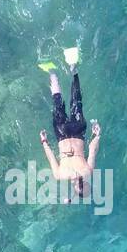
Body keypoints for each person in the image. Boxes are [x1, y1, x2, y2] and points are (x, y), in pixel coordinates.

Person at [39, 66, 100, 200]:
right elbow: (51, 157)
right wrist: (44, 141)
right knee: (58, 103)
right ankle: (53, 73)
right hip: (63, 133)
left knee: (76, 102)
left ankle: (74, 73)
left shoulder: (87, 171)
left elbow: (92, 148)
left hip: (77, 131)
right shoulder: (60, 175)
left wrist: (96, 135)